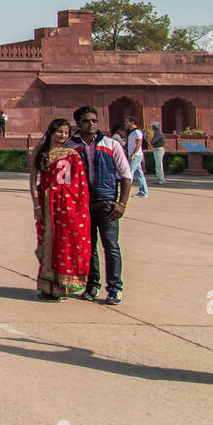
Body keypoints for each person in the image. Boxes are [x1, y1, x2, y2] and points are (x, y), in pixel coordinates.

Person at [67, 106, 132, 306]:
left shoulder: (111, 144)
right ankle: (92, 285)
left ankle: (114, 288)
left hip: (107, 202)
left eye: (94, 120)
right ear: (78, 124)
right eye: (87, 121)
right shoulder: (70, 146)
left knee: (111, 246)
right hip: (83, 204)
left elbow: (126, 175)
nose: (92, 124)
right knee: (89, 248)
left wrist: (122, 203)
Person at [29, 118, 91, 300]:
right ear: (51, 132)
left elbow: (80, 186)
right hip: (47, 205)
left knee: (64, 245)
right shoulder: (40, 152)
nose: (63, 136)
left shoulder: (72, 155)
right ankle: (46, 286)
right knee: (46, 245)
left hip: (67, 208)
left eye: (66, 133)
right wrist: (37, 205)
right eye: (59, 132)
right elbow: (33, 182)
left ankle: (61, 288)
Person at [124, 116, 149, 198]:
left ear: (132, 122)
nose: (126, 123)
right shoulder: (131, 132)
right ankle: (143, 192)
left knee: (129, 172)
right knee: (139, 174)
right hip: (134, 154)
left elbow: (139, 144)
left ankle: (125, 191)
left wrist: (133, 154)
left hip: (136, 155)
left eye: (127, 121)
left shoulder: (137, 132)